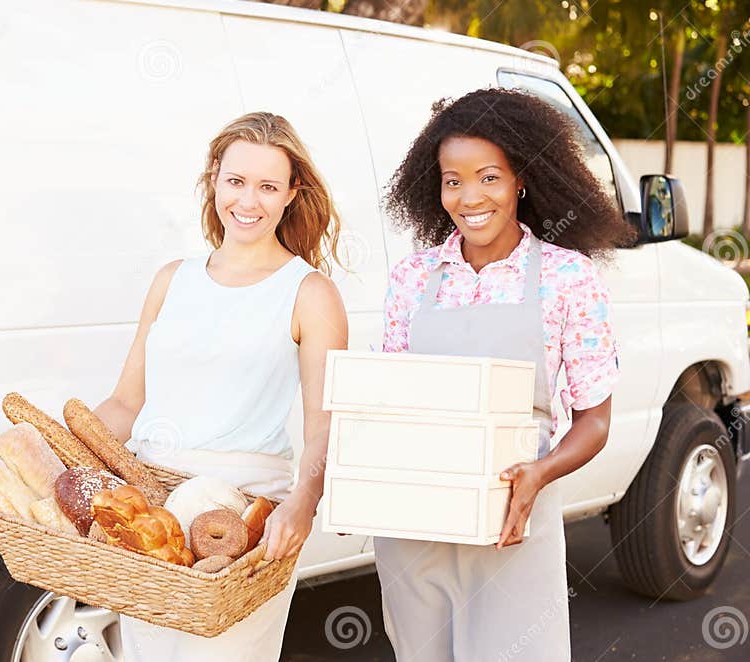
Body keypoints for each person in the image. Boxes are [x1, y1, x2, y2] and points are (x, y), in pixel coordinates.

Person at [377, 88, 637, 661]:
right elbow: (388, 408)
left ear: (521, 177)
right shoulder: (412, 277)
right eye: (453, 180)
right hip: (415, 533)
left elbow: (595, 421)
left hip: (514, 527)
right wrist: (363, 487)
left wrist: (539, 474)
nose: (470, 197)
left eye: (489, 176)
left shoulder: (569, 278)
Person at [90, 111, 348, 661]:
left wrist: (305, 501)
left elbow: (326, 420)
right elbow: (124, 402)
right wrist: (58, 460)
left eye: (267, 186)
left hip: (246, 511)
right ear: (214, 179)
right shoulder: (171, 279)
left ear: (290, 193)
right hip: (152, 506)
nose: (247, 201)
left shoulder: (308, 292)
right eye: (236, 181)